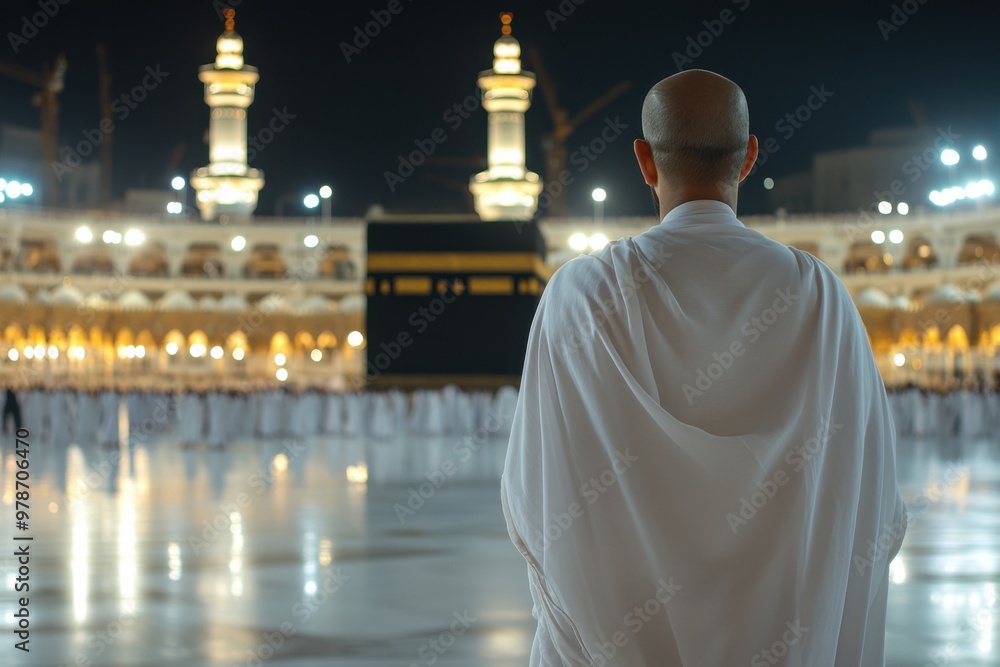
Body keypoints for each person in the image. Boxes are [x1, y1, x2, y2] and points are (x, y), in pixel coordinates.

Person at [501, 69, 907, 666]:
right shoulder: (821, 296)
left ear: (644, 160)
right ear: (748, 158)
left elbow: (538, 501)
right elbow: (871, 500)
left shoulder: (582, 295)